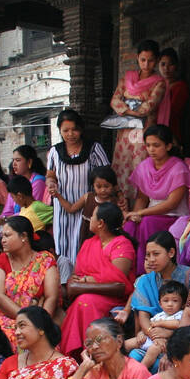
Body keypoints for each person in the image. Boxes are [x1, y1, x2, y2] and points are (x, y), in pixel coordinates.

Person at [60, 202, 135, 354]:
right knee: (84, 300)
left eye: (93, 216)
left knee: (86, 301)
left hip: (113, 296)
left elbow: (118, 281)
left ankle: (94, 350)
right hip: (86, 293)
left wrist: (87, 281)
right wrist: (79, 282)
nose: (90, 218)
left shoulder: (122, 244)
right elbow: (76, 275)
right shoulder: (88, 243)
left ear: (100, 223)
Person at [45, 109, 111, 279]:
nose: (70, 134)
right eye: (65, 130)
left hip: (88, 208)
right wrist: (51, 184)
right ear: (59, 130)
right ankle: (65, 284)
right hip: (62, 209)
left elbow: (105, 174)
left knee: (83, 243)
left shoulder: (93, 149)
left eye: (74, 129)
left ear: (81, 129)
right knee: (63, 245)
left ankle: (82, 280)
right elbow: (50, 175)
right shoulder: (54, 151)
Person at [124, 124, 190, 272]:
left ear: (168, 146)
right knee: (129, 226)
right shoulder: (144, 166)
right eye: (148, 145)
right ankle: (129, 273)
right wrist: (134, 215)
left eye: (156, 145)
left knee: (147, 223)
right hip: (150, 214)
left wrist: (141, 213)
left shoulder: (179, 167)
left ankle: (148, 271)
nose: (151, 150)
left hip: (173, 216)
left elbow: (171, 204)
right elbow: (142, 199)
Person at [0, 215, 59, 347]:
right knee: (9, 337)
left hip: (40, 319)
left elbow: (51, 297)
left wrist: (42, 324)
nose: (3, 240)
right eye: (2, 236)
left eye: (7, 236)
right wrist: (25, 322)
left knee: (46, 340)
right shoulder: (0, 261)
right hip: (6, 318)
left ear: (23, 236)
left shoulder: (45, 260)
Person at [106, 39, 167, 186]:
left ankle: (140, 204)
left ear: (157, 60)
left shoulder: (159, 83)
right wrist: (131, 111)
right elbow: (114, 101)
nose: (146, 64)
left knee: (140, 165)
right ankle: (123, 203)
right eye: (143, 60)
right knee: (122, 165)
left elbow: (148, 107)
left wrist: (126, 110)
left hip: (143, 132)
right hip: (124, 133)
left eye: (151, 61)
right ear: (137, 58)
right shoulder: (127, 78)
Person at [126, 230, 190, 351]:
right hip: (152, 336)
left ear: (171, 253)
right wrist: (155, 336)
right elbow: (143, 317)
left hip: (183, 334)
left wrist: (168, 334)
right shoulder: (145, 281)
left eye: (156, 254)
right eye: (148, 255)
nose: (151, 259)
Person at [128, 280, 186, 371]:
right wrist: (141, 334)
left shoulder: (181, 314)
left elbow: (177, 324)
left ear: (183, 304)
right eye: (166, 301)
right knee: (129, 342)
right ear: (160, 304)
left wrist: (160, 323)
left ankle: (141, 369)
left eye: (175, 301)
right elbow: (148, 326)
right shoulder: (160, 315)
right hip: (152, 339)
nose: (170, 304)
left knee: (154, 349)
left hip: (164, 345)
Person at [156, 48, 189, 144]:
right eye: (163, 64)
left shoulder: (180, 87)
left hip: (172, 131)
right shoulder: (156, 86)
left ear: (176, 66)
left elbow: (174, 111)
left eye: (171, 64)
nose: (166, 68)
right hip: (155, 132)